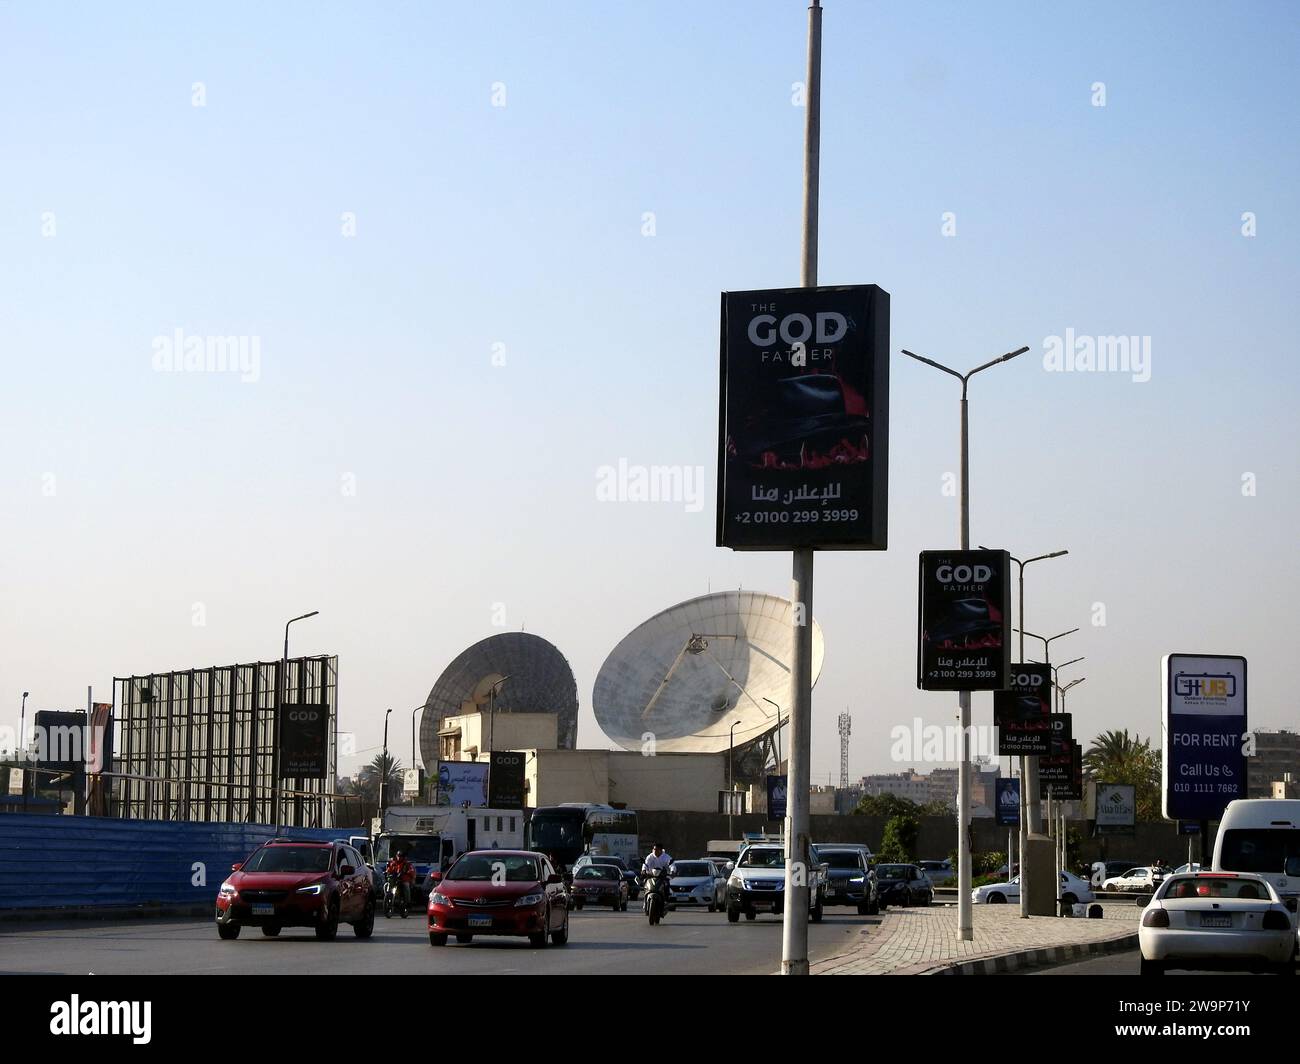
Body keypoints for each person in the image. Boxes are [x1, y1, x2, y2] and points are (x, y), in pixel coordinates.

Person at [641, 843, 673, 914]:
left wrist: (672, 871)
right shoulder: (650, 856)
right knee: (645, 883)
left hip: (662, 877)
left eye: (657, 850)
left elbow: (671, 864)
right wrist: (643, 870)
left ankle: (666, 901)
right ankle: (645, 901)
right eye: (654, 849)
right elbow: (645, 864)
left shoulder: (666, 857)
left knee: (666, 884)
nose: (655, 851)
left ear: (661, 850)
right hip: (651, 876)